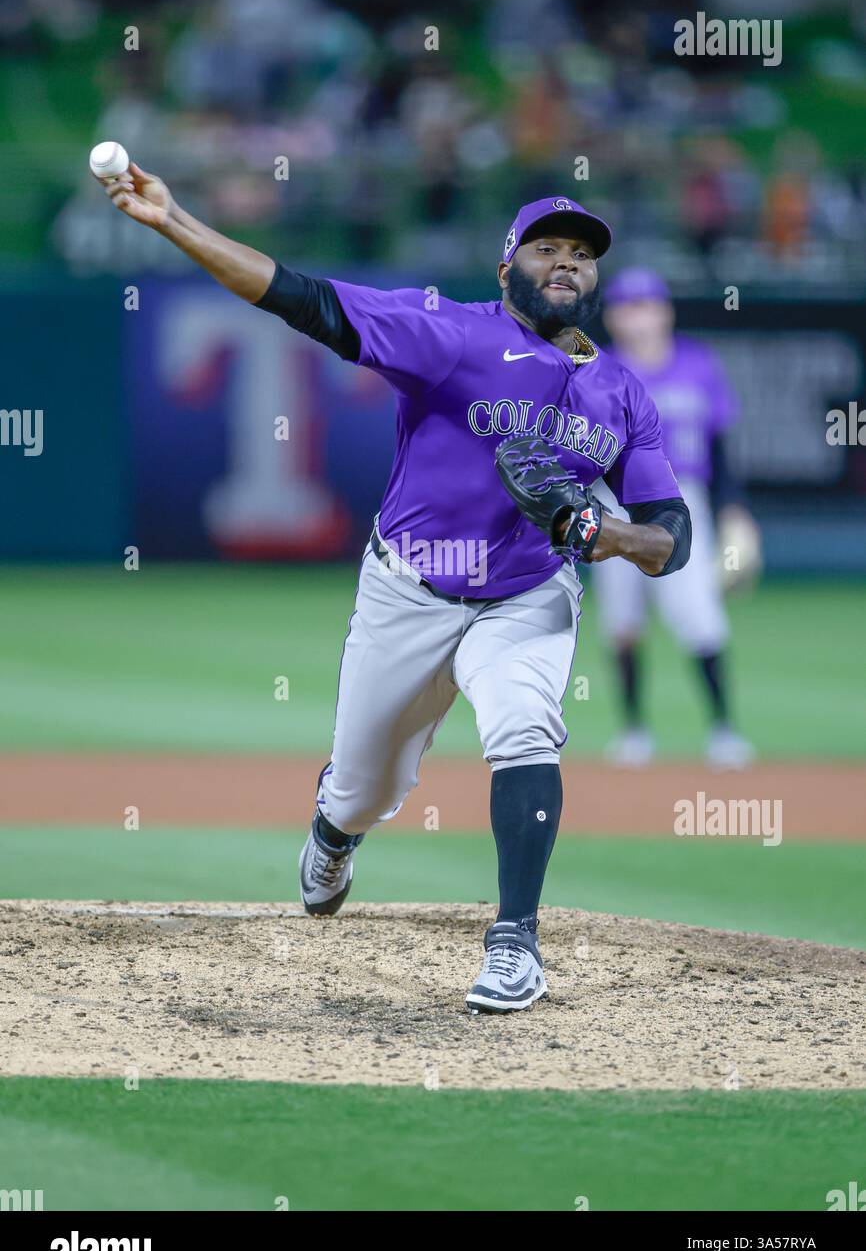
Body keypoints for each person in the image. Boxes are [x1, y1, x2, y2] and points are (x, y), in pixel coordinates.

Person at [96, 164, 691, 1012]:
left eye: (581, 254)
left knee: (526, 728)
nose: (566, 263)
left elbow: (671, 536)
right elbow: (296, 296)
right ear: (505, 269)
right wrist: (175, 222)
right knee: (364, 790)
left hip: (526, 594)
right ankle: (335, 833)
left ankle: (515, 943)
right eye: (546, 248)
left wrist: (603, 533)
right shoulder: (449, 334)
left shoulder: (622, 392)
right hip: (408, 589)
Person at [594, 267, 757, 768]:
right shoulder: (598, 371)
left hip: (683, 499)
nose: (639, 316)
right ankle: (634, 731)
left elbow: (720, 447)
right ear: (613, 317)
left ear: (665, 311)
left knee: (698, 615)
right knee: (622, 622)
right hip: (615, 500)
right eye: (628, 306)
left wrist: (736, 511)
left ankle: (724, 730)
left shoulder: (698, 364)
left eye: (647, 305)